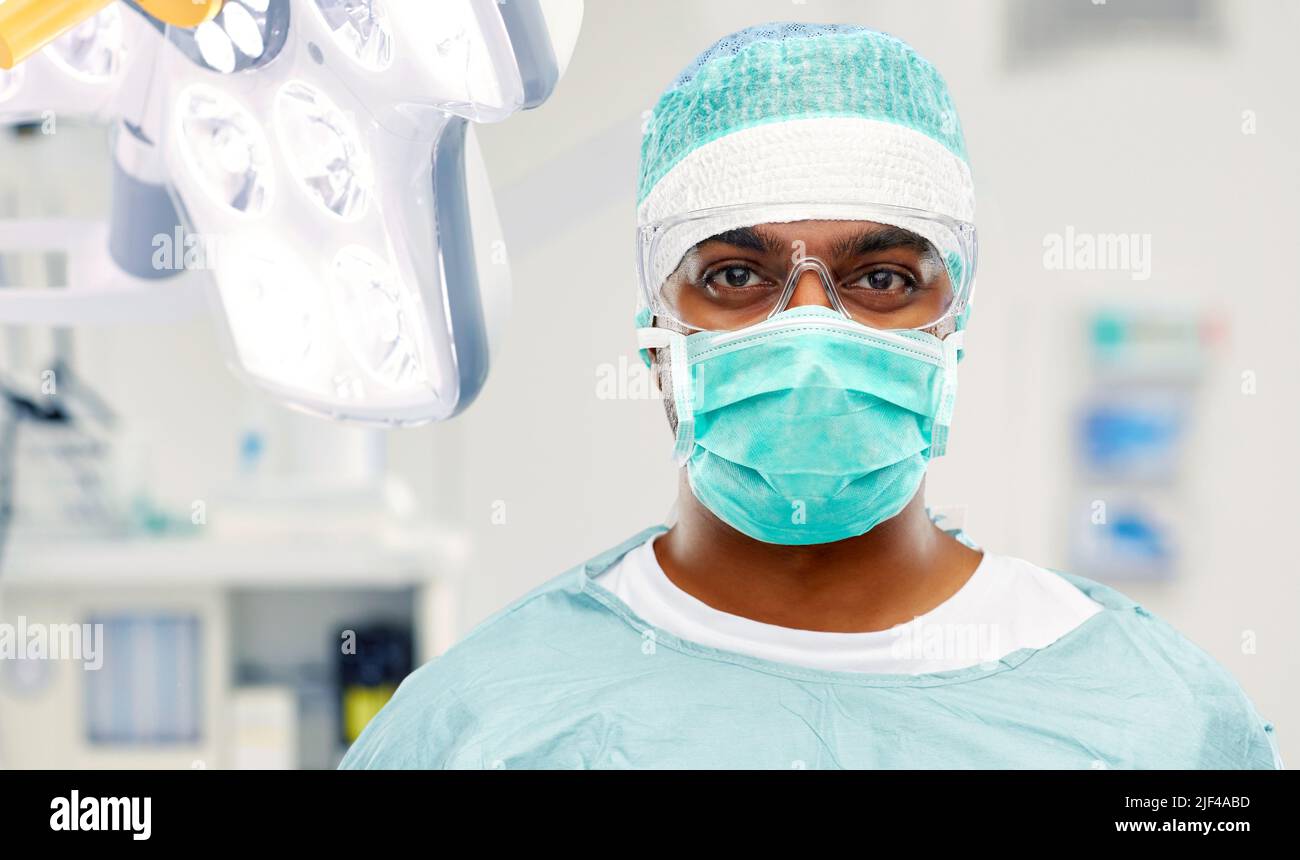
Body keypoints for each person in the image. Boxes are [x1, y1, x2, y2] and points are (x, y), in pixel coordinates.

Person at [340, 22, 1282, 769]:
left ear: (954, 320)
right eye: (737, 276)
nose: (810, 335)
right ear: (655, 335)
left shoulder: (1160, 732)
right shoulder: (477, 730)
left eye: (879, 280)